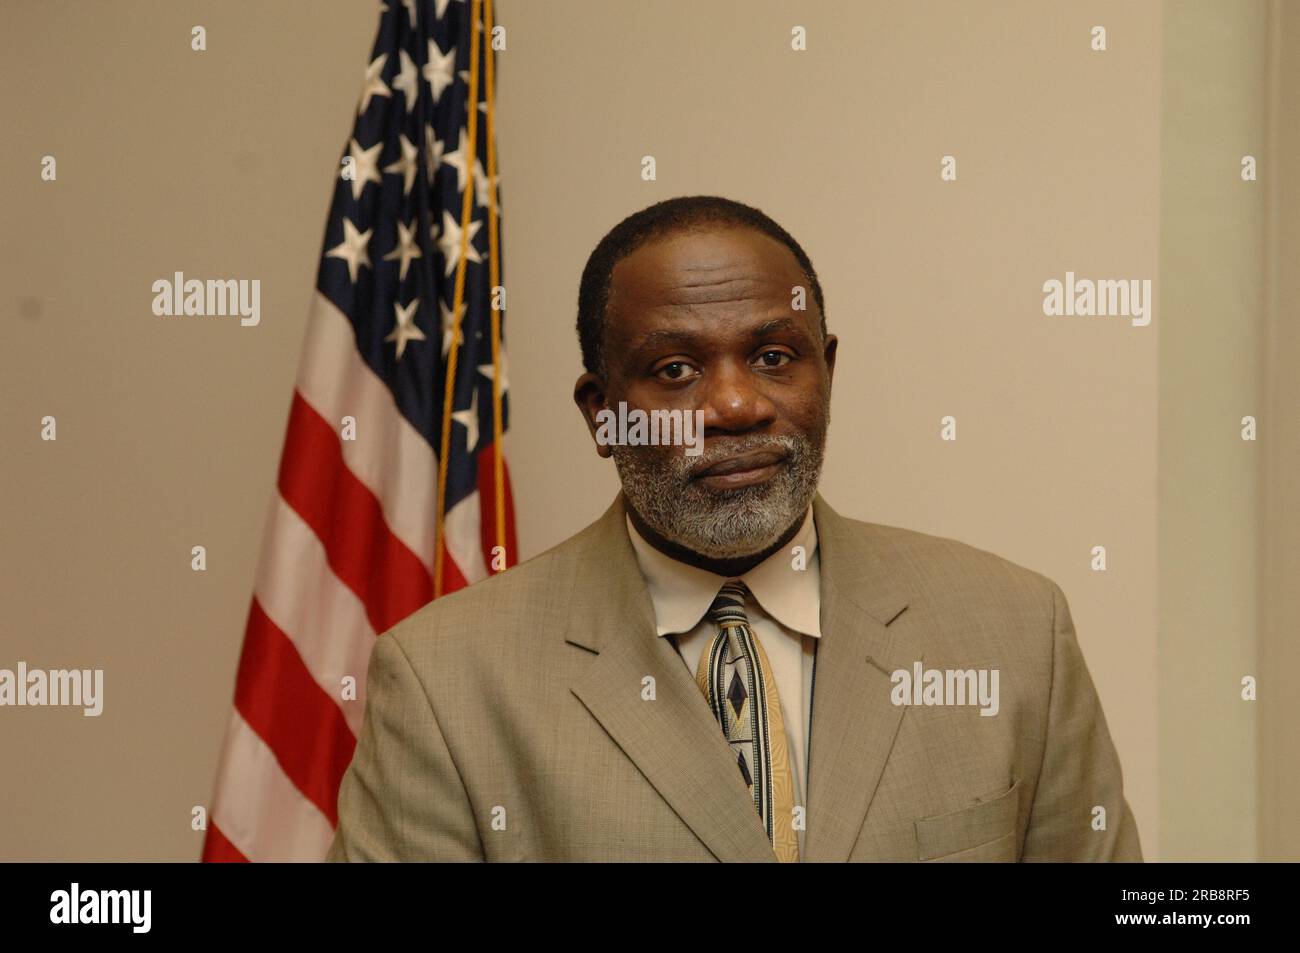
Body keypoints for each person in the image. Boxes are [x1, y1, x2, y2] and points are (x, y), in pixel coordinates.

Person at [327, 195, 1142, 862]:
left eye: (776, 356)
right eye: (675, 369)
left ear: (827, 370)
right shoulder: (444, 682)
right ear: (602, 414)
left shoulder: (1013, 629)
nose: (737, 406)